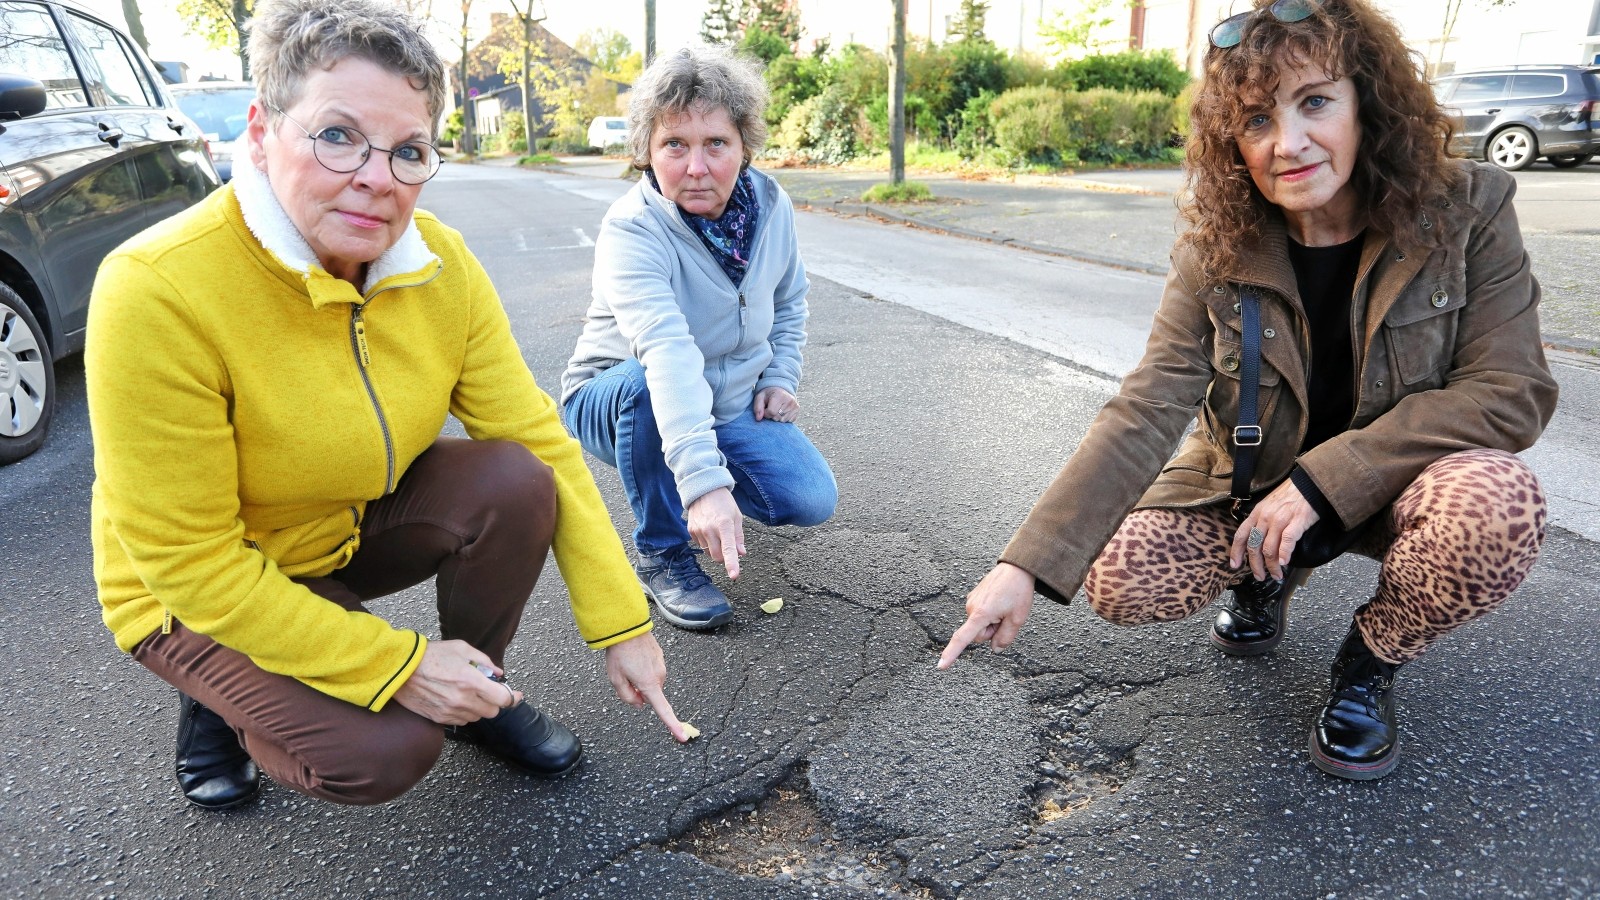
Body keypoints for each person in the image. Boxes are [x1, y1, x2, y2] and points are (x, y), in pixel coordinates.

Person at [85, 0, 688, 812]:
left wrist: (621, 624)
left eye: (409, 150)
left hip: (336, 529)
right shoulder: (155, 288)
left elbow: (535, 439)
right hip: (193, 588)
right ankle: (219, 699)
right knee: (384, 751)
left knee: (513, 480)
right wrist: (397, 667)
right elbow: (191, 561)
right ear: (262, 131)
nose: (377, 178)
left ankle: (471, 694)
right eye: (337, 136)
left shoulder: (439, 261)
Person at [938, 0, 1558, 781]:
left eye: (1315, 102)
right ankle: (1266, 574)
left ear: (1368, 99)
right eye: (1257, 119)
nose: (1287, 144)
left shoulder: (1470, 210)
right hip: (1251, 489)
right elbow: (1150, 401)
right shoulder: (1218, 241)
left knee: (1497, 505)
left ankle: (1372, 657)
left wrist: (1326, 481)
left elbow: (1512, 390)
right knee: (1121, 576)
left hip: (1402, 490)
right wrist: (1023, 565)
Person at [562, 45, 838, 631]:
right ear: (647, 152)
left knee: (811, 499)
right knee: (645, 390)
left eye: (716, 143)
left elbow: (789, 300)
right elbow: (666, 353)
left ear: (744, 148)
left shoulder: (771, 205)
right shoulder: (631, 230)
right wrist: (704, 485)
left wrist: (779, 375)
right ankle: (664, 551)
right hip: (615, 397)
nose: (696, 166)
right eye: (674, 145)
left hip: (724, 399)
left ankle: (689, 479)